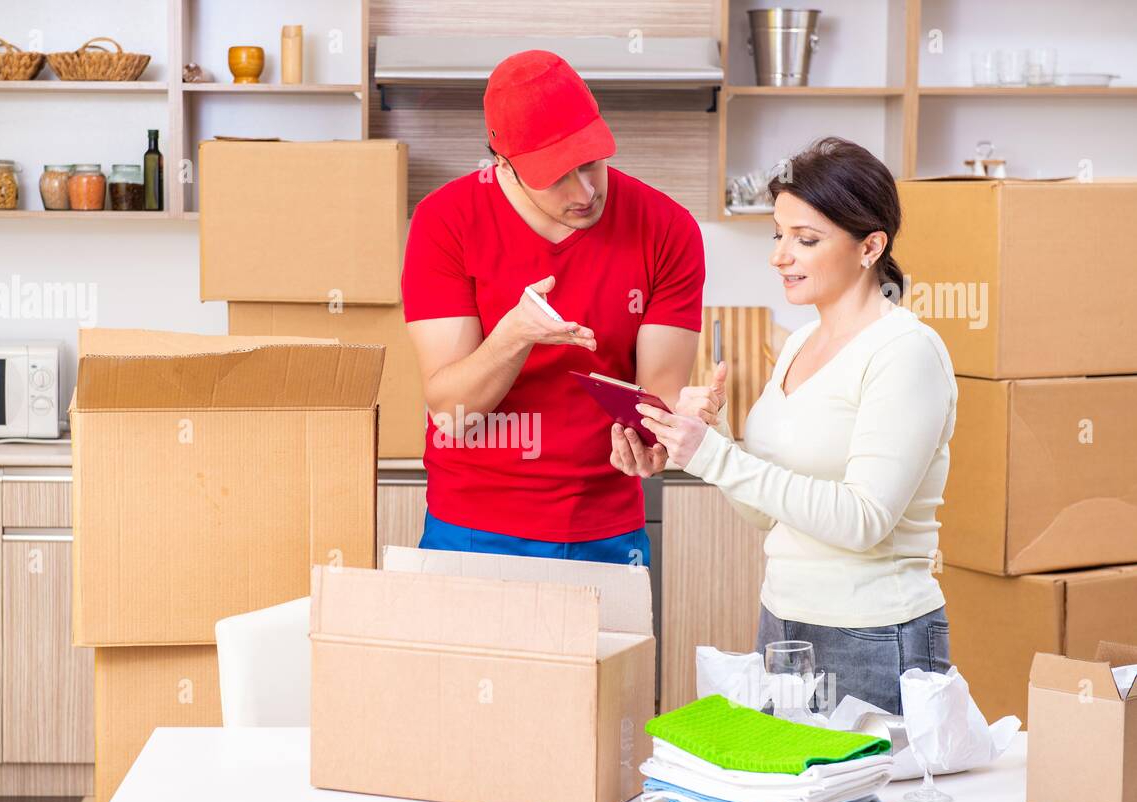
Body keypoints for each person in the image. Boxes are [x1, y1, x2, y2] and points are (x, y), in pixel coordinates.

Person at [637, 137, 957, 715]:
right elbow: (768, 514)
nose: (779, 256)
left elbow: (865, 521)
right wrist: (721, 436)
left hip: (875, 634)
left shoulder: (906, 352)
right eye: (778, 234)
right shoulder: (802, 343)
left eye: (805, 240)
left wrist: (715, 457)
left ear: (870, 247)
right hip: (783, 622)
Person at [401, 50, 703, 567]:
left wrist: (660, 439)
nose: (585, 191)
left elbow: (655, 401)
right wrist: (513, 336)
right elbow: (452, 415)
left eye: (590, 162)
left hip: (607, 528)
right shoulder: (444, 222)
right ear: (503, 166)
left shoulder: (667, 228)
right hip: (472, 527)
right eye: (556, 175)